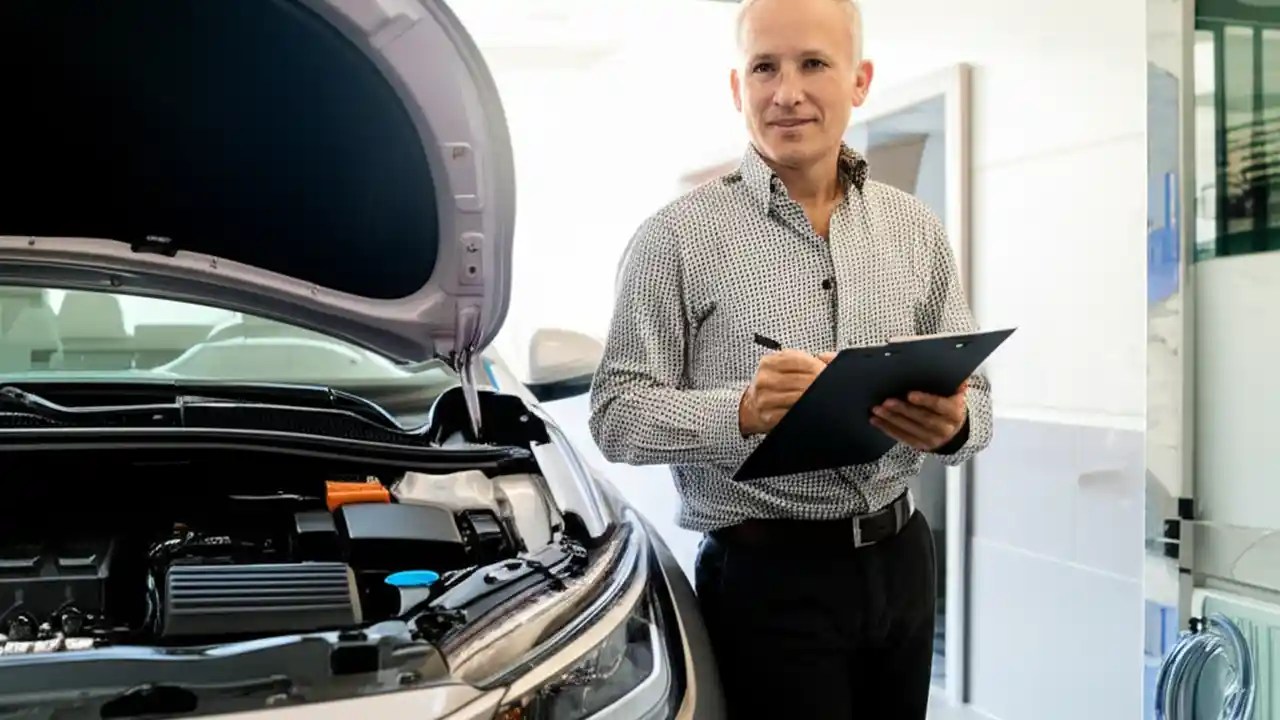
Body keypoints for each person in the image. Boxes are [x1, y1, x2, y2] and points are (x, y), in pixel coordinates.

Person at [588, 0, 992, 716]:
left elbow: (979, 402)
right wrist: (741, 410)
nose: (788, 92)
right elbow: (617, 416)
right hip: (765, 582)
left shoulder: (916, 231)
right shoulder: (674, 240)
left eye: (813, 64)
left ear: (859, 80)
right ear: (737, 88)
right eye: (764, 67)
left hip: (902, 564)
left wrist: (955, 425)